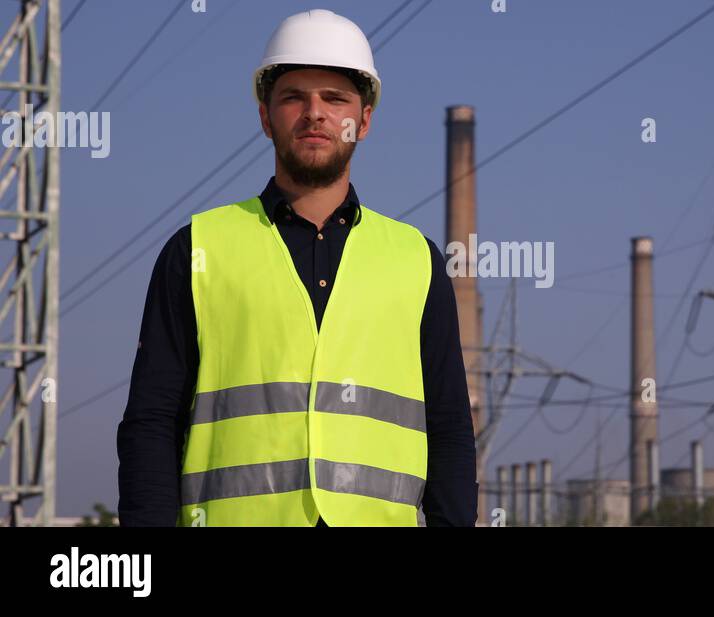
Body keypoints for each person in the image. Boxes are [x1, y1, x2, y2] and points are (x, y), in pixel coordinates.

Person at [116, 9, 478, 526]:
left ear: (365, 119)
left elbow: (448, 430)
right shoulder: (197, 250)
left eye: (335, 99)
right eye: (293, 98)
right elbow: (151, 422)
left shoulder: (416, 260)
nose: (315, 113)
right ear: (266, 117)